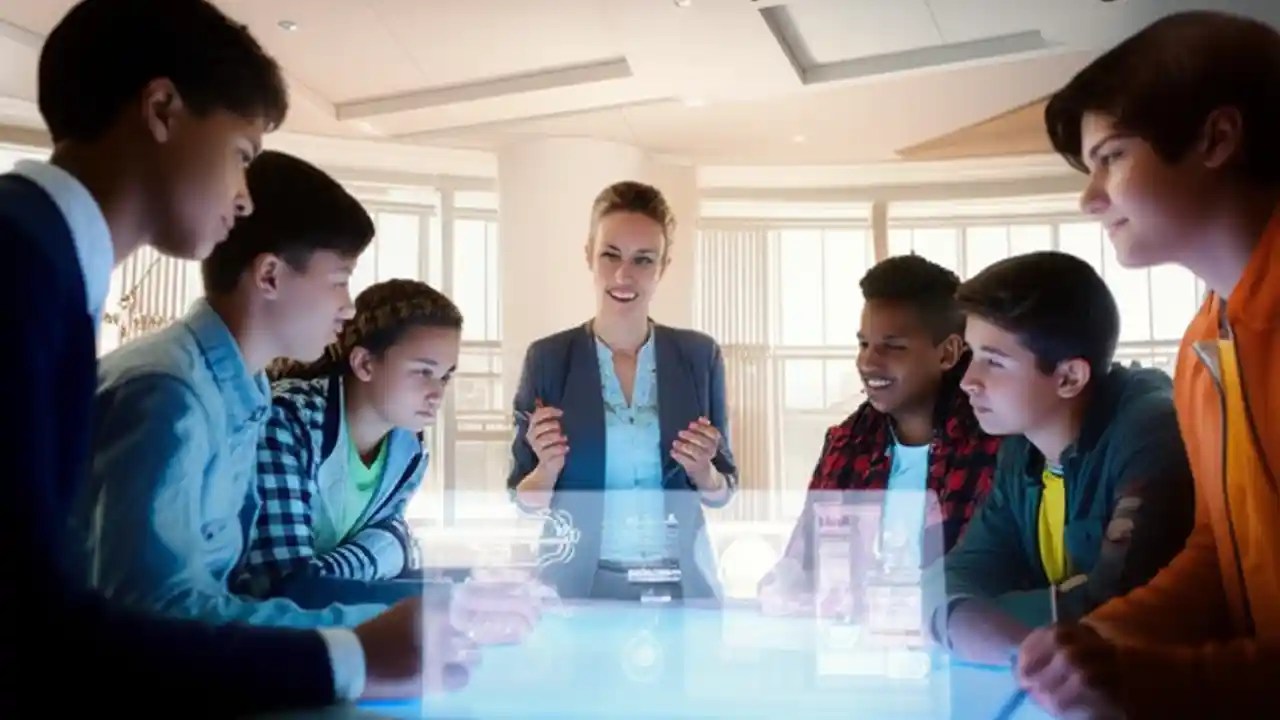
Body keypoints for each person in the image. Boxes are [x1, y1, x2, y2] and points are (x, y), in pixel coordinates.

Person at [1, 0, 483, 712]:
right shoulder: (30, 274)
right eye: (242, 155)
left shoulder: (52, 267)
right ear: (162, 109)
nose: (242, 196)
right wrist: (351, 652)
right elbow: (66, 618)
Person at [1017, 10, 1280, 718]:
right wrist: (1099, 638)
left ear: (1216, 139)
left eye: (1112, 157)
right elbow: (1218, 555)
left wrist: (1157, 680)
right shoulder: (1205, 342)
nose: (1089, 197)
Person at [932, 251, 1195, 667]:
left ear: (1069, 377)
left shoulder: (1150, 431)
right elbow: (966, 570)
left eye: (993, 361)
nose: (968, 381)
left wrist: (979, 619)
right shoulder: (1022, 449)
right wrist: (959, 614)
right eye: (972, 354)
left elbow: (1123, 599)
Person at [508, 180, 738, 601]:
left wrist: (703, 471)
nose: (622, 275)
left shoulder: (699, 355)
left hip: (680, 584)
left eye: (643, 260)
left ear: (663, 267)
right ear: (588, 256)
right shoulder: (548, 358)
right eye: (610, 255)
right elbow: (525, 500)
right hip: (579, 585)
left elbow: (723, 492)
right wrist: (547, 468)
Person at [756, 255, 1000, 616]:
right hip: (855, 656)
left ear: (948, 353)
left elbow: (997, 579)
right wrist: (780, 587)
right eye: (864, 344)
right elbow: (801, 562)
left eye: (893, 346)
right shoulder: (845, 444)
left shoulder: (996, 445)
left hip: (958, 654)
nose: (868, 362)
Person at [239, 279, 463, 608]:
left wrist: (381, 552)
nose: (437, 393)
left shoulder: (409, 447)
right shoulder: (287, 421)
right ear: (364, 364)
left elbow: (393, 543)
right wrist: (387, 550)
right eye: (422, 372)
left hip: (333, 629)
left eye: (445, 376)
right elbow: (286, 589)